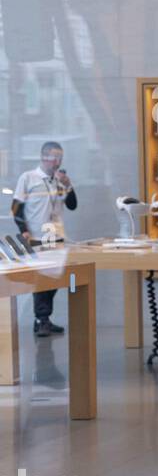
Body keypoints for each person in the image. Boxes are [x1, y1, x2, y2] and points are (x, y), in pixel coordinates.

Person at [12, 141, 78, 336]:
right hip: (36, 237)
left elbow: (73, 205)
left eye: (60, 158)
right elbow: (16, 207)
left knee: (55, 279)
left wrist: (69, 185)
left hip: (56, 237)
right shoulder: (28, 178)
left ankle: (43, 319)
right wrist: (23, 229)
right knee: (41, 279)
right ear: (43, 157)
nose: (57, 162)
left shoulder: (60, 180)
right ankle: (42, 319)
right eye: (54, 158)